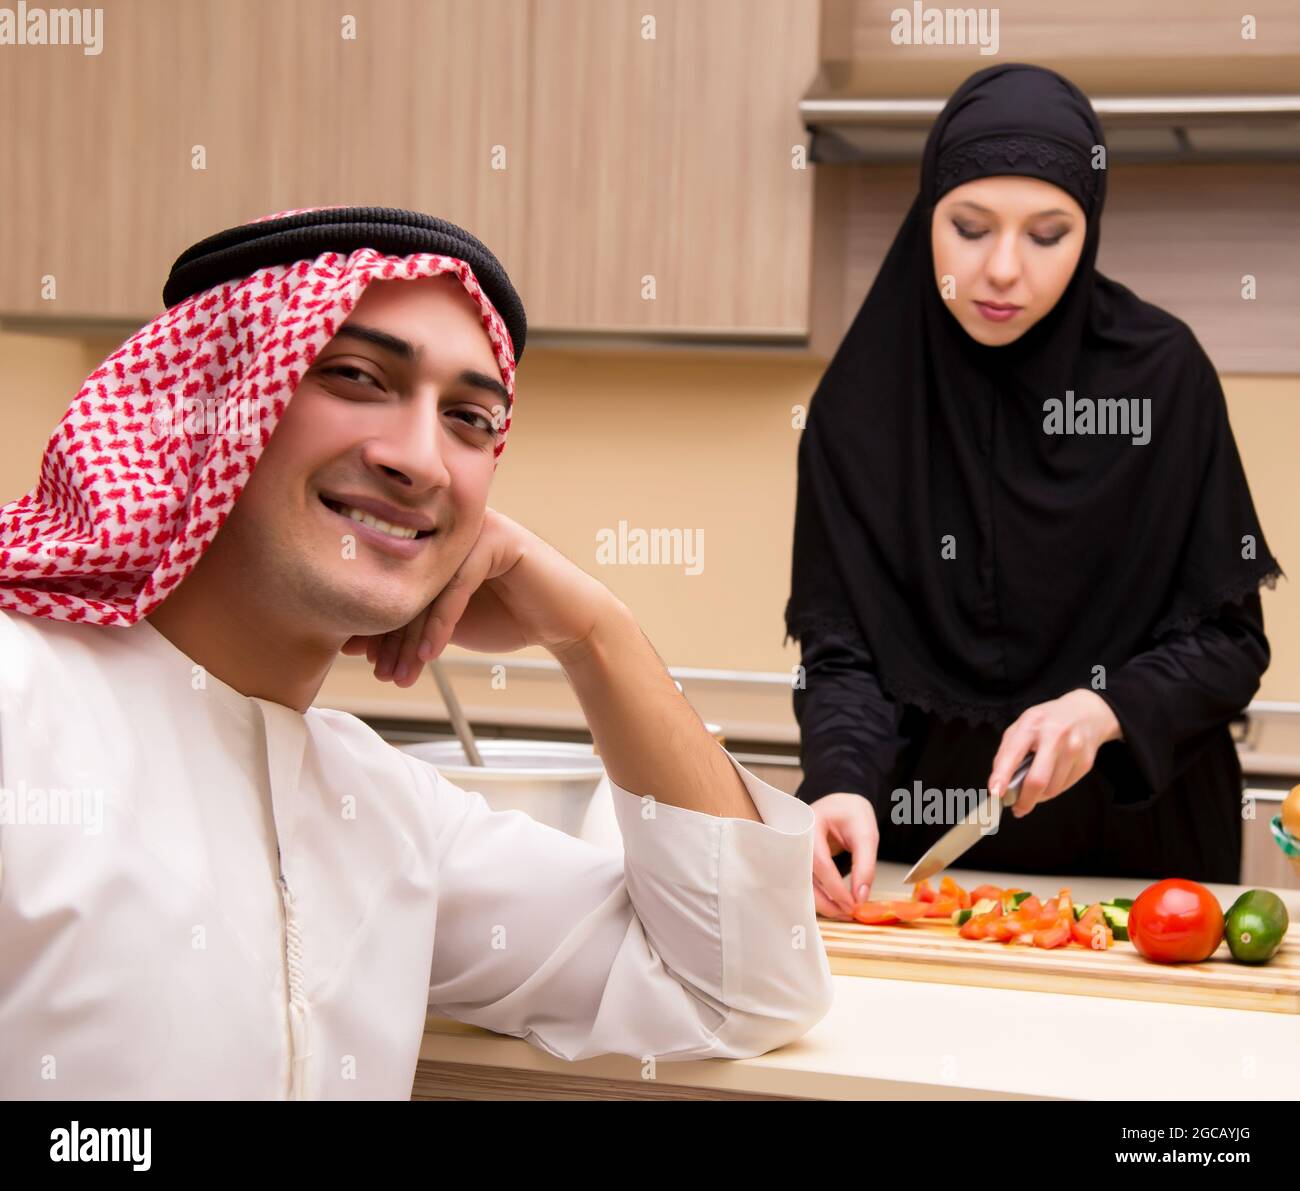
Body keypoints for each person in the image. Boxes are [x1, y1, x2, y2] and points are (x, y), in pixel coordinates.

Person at [0, 206, 833, 1099]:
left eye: (471, 418)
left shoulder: (386, 812)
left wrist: (594, 635)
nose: (422, 461)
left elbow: (739, 987)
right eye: (357, 376)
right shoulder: (22, 706)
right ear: (216, 400)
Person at [784, 66, 1281, 919]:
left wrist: (1104, 709)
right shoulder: (861, 405)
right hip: (922, 873)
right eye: (969, 228)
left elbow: (1229, 644)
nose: (1003, 269)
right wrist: (839, 782)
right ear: (926, 215)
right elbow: (846, 654)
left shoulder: (1165, 380)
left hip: (1148, 875)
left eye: (1048, 234)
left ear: (1090, 232)